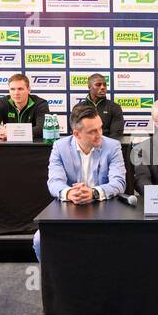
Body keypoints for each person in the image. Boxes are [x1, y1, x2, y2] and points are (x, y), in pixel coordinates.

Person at [33, 103, 127, 260]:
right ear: (76, 134)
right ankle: (54, 282)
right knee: (39, 240)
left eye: (100, 128)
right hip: (70, 207)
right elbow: (54, 182)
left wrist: (93, 192)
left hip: (104, 207)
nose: (100, 134)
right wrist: (70, 193)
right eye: (92, 132)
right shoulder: (59, 147)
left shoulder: (112, 146)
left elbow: (119, 182)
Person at [0, 73, 51, 140]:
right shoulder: (2, 103)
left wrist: (12, 133)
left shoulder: (40, 104)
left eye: (20, 89)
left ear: (29, 89)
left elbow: (43, 129)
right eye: (12, 89)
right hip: (8, 147)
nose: (16, 93)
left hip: (34, 147)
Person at [73, 73, 124, 139]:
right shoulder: (79, 108)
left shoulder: (114, 107)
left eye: (104, 85)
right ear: (89, 87)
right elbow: (77, 132)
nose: (103, 87)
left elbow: (116, 134)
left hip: (108, 147)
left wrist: (103, 146)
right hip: (86, 146)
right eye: (98, 85)